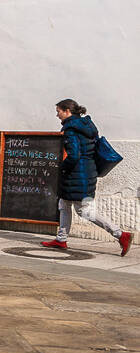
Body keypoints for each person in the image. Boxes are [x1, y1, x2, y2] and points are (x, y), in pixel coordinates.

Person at [41, 99, 132, 255]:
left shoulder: (71, 129)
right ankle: (61, 239)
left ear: (67, 111)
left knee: (84, 211)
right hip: (87, 171)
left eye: (58, 112)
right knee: (63, 204)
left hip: (77, 175)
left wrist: (62, 167)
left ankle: (120, 234)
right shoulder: (86, 125)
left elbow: (74, 155)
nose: (57, 115)